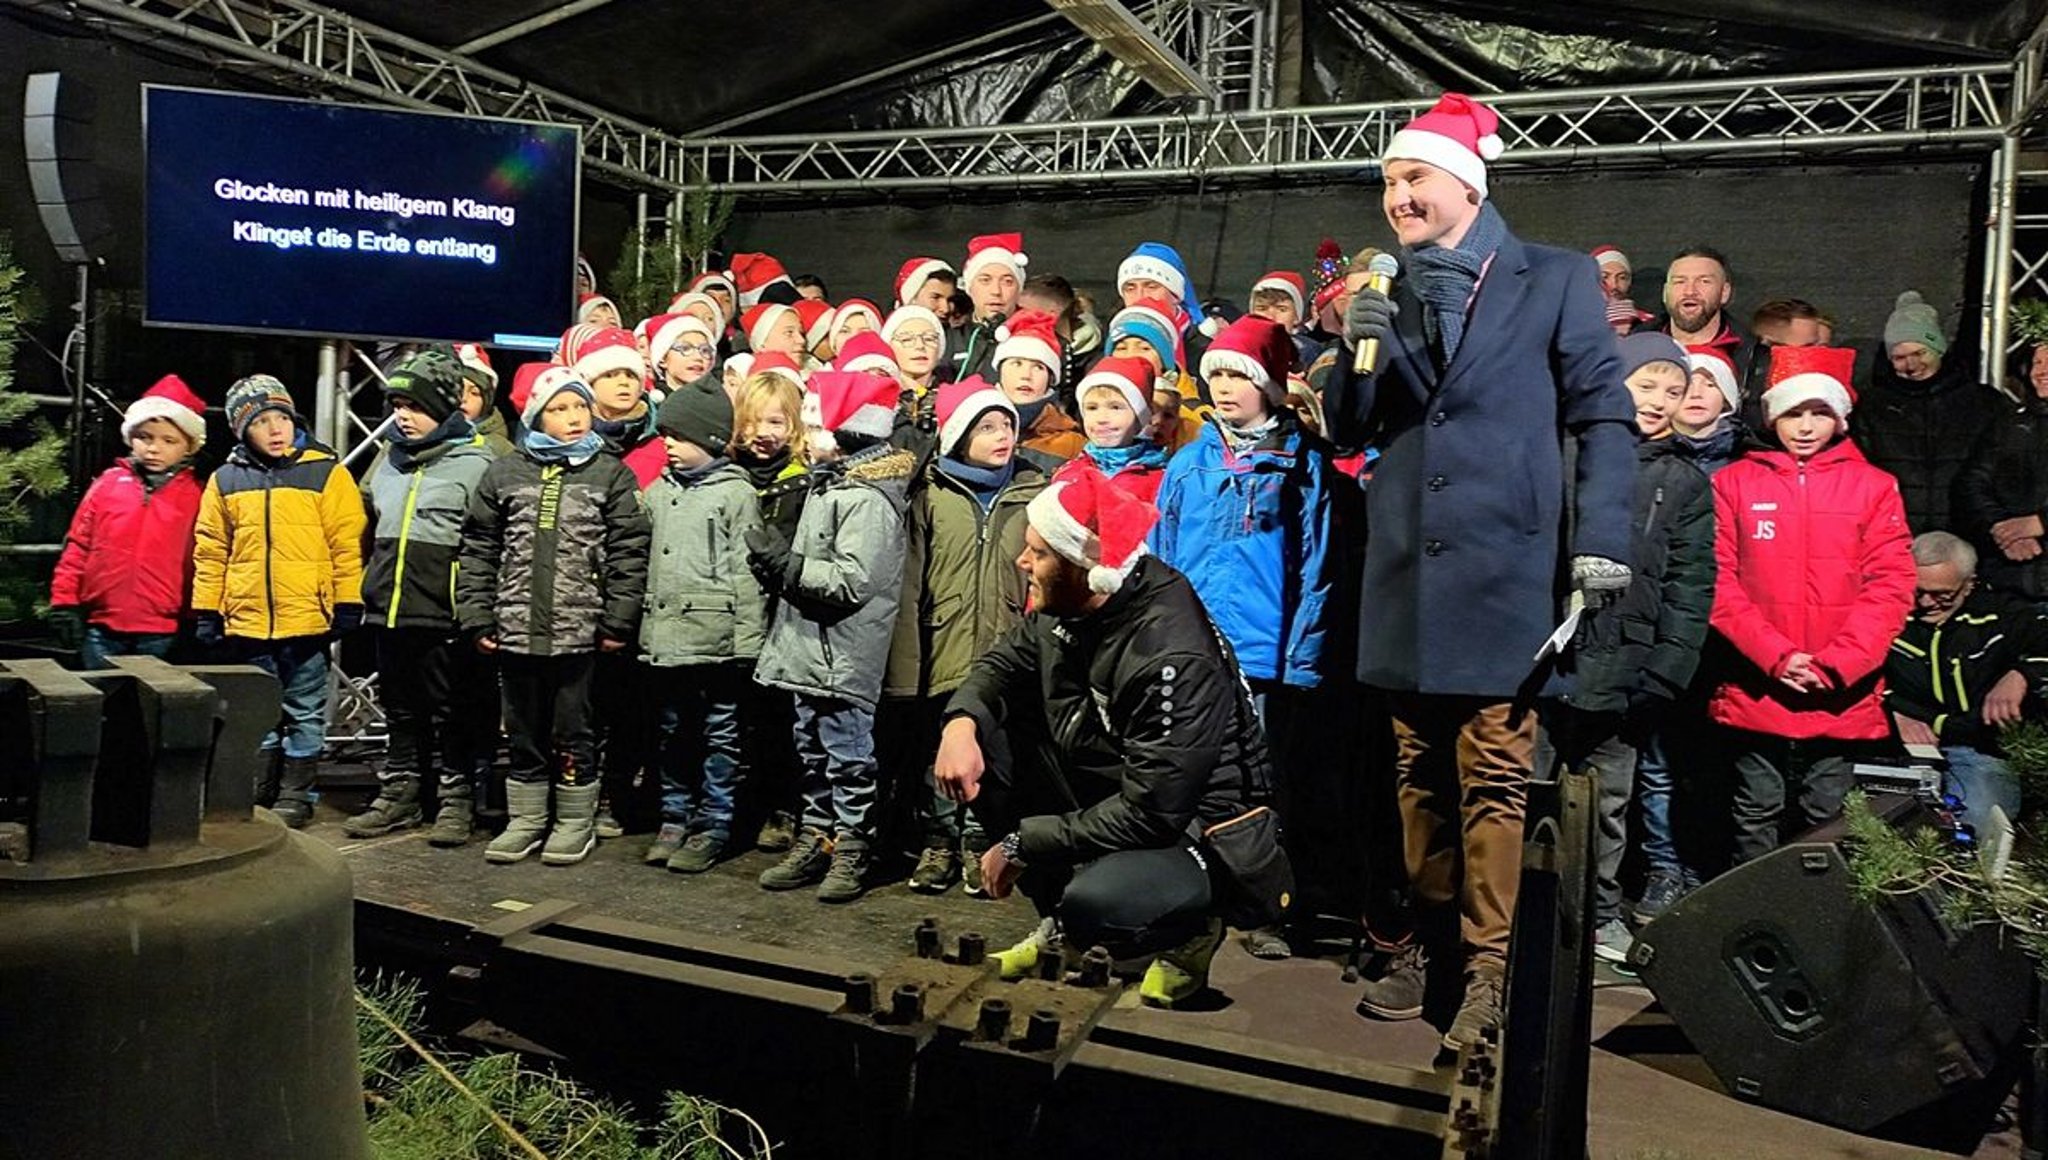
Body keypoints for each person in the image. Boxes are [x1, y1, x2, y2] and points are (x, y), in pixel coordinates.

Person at [1325, 93, 1639, 1049]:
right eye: (1386, 181)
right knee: (1416, 779)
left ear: (1464, 180)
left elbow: (1604, 413)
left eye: (1411, 177)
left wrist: (1602, 540)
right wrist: (1356, 345)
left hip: (1507, 573)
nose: (1396, 197)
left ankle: (1489, 974)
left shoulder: (1552, 277)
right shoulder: (1391, 290)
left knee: (1496, 782)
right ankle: (1431, 943)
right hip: (1406, 579)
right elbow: (1349, 426)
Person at [933, 469, 1268, 1007]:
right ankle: (1059, 925)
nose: (1023, 563)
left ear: (1087, 571)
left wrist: (1023, 842)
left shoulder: (1168, 652)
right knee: (984, 748)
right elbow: (1003, 663)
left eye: (1038, 554)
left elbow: (1154, 812)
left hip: (1197, 824)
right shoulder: (1071, 606)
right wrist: (960, 724)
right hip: (1114, 780)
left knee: (1098, 902)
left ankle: (1191, 932)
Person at [1537, 333, 1714, 965]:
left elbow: (1691, 583)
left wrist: (1666, 671)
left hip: (1627, 667)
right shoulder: (1563, 450)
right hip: (1545, 663)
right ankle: (1518, 915)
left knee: (1609, 803)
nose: (1662, 401)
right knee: (1528, 790)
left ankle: (1597, 913)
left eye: (1675, 390)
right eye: (1648, 385)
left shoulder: (1684, 482)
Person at [1708, 346, 1914, 865]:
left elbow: (1890, 584)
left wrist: (1840, 661)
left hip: (1838, 685)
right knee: (1756, 805)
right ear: (1773, 415)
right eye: (1794, 412)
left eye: (1820, 412)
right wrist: (1776, 656)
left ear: (1840, 417)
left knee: (1827, 809)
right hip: (1759, 679)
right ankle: (1751, 912)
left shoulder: (1874, 487)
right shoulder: (1733, 483)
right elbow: (1718, 582)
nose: (1805, 426)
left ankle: (1818, 920)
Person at [456, 368, 651, 866]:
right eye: (560, 409)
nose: (572, 418)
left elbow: (630, 552)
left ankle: (572, 820)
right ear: (538, 414)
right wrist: (478, 615)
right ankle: (525, 818)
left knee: (574, 729)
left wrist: (616, 621)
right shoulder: (505, 472)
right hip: (516, 629)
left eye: (580, 407)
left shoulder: (609, 472)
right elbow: (480, 547)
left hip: (578, 632)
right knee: (522, 728)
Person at [749, 371, 915, 902]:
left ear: (852, 432)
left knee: (848, 755)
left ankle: (851, 845)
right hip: (810, 651)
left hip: (841, 656)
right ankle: (817, 834)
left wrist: (786, 566)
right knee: (813, 751)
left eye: (818, 423)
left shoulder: (867, 500)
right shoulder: (835, 484)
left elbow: (851, 581)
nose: (807, 432)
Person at [886, 377, 1047, 893]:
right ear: (958, 436)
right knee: (940, 744)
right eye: (986, 427)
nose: (1002, 436)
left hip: (1007, 642)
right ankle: (939, 839)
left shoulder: (1032, 491)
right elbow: (912, 579)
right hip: (943, 640)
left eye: (1007, 425)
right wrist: (907, 668)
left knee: (997, 748)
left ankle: (983, 836)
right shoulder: (931, 494)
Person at [192, 374, 367, 829]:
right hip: (249, 621)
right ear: (240, 429)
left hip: (307, 619)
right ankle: (261, 784)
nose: (275, 430)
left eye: (282, 419)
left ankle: (298, 791)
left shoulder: (326, 473)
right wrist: (208, 608)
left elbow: (346, 544)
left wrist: (347, 601)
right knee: (259, 709)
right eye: (261, 422)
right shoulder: (226, 479)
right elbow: (211, 550)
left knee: (304, 707)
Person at [344, 351, 496, 844]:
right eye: (397, 404)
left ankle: (456, 800)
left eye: (415, 405)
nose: (402, 415)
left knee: (453, 708)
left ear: (445, 407)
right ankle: (402, 793)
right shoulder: (388, 461)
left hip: (443, 611)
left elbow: (488, 544)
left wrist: (476, 609)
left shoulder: (478, 465)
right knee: (401, 707)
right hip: (391, 607)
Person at [639, 380, 766, 873]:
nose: (667, 444)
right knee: (673, 731)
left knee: (721, 734)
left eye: (678, 435)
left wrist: (746, 644)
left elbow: (747, 572)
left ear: (710, 438)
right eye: (665, 433)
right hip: (667, 640)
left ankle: (714, 822)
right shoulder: (658, 492)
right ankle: (675, 815)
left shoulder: (736, 494)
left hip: (717, 643)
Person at [49, 374, 207, 670]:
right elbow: (78, 546)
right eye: (144, 437)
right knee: (98, 707)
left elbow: (204, 561)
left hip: (163, 633)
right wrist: (65, 603)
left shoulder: (198, 497)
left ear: (189, 446)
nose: (153, 447)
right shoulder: (108, 485)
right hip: (101, 629)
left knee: (150, 713)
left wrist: (196, 618)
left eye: (168, 440)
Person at [1887, 531, 2042, 832]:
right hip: (1901, 746)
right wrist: (1893, 708)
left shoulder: (2000, 616)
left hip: (1980, 747)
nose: (1925, 603)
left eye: (1942, 594)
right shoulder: (1888, 612)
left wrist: (2022, 674)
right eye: (1917, 590)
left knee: (1973, 824)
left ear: (1968, 584)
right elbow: (1853, 672)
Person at [731, 372, 812, 853]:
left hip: (784, 621)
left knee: (781, 722)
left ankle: (784, 808)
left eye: (776, 421)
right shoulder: (726, 478)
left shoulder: (803, 484)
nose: (763, 432)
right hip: (736, 619)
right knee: (738, 721)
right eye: (752, 422)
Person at [1854, 290, 2003, 534]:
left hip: (1967, 535)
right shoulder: (1871, 407)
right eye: (1899, 357)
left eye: (1919, 353)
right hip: (1893, 535)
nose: (1911, 366)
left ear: (1939, 348)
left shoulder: (1983, 403)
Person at [1957, 342, 2048, 598]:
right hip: (2009, 579)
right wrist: (2000, 528)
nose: (2040, 371)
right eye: (2037, 363)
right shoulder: (2008, 424)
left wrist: (2041, 522)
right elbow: (1971, 483)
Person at [1055, 357, 1170, 505]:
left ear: (1139, 417)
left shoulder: (1161, 478)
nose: (1101, 418)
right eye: (1092, 408)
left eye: (1115, 407)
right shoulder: (1069, 474)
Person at [1106, 296, 1207, 454]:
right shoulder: (1096, 402)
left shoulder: (1193, 417)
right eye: (1121, 348)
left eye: (1145, 348)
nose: (1131, 356)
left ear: (1165, 358)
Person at [1659, 246, 1757, 399]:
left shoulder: (1756, 358)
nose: (1690, 291)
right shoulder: (1632, 348)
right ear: (1665, 293)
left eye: (1704, 281)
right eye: (1679, 282)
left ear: (1724, 293)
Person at [992, 309, 1083, 469]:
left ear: (1051, 378)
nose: (1026, 375)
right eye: (1017, 363)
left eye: (1038, 367)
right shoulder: (974, 431)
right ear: (1000, 371)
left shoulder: (1072, 444)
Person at [952, 233, 1027, 383]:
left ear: (1019, 289)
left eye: (1007, 282)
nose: (996, 291)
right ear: (969, 287)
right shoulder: (948, 339)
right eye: (985, 280)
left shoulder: (1037, 339)